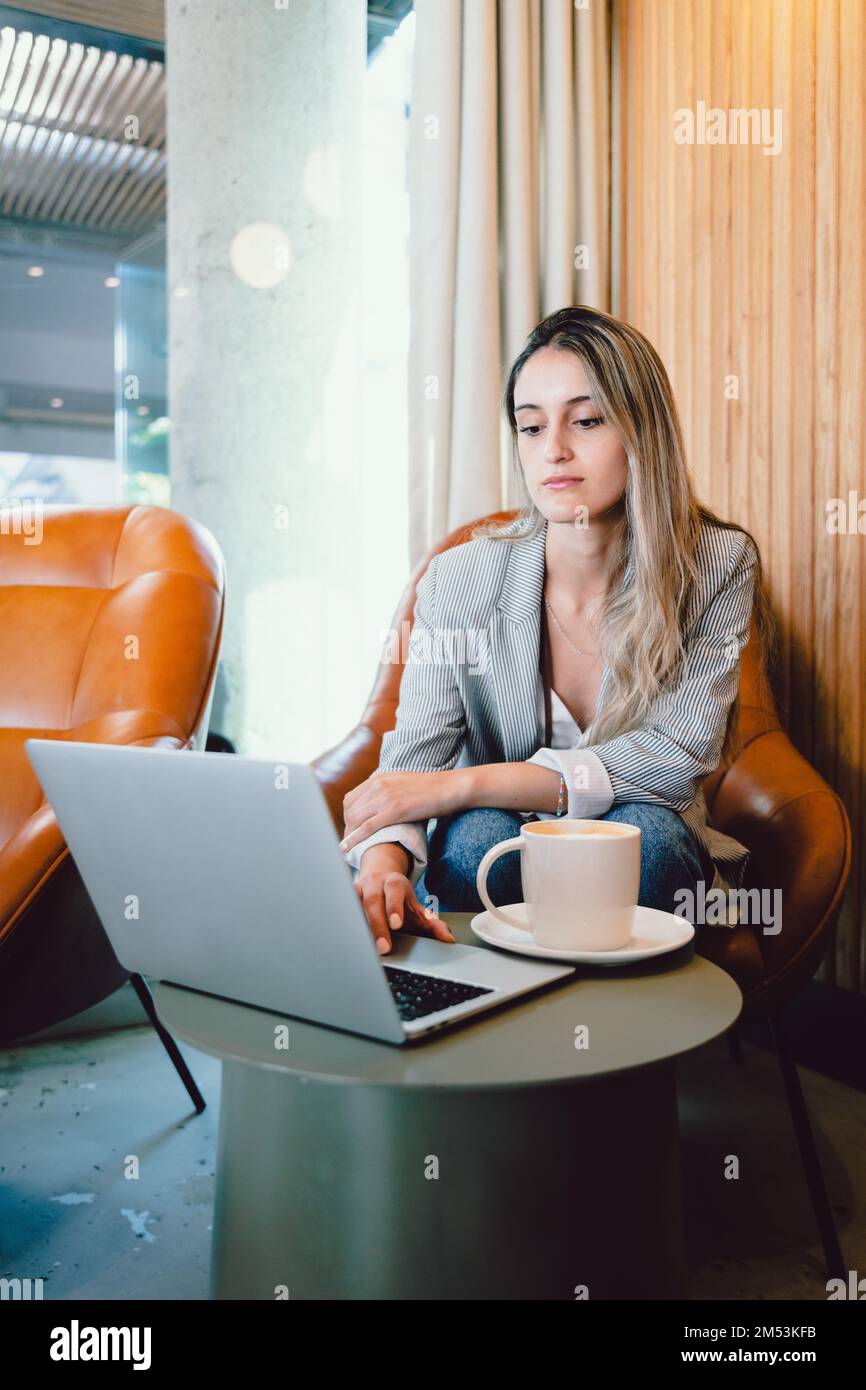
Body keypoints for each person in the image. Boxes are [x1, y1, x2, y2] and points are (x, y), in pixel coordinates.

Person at [340, 305, 770, 955]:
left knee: (643, 835)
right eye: (531, 426)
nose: (554, 451)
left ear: (642, 431)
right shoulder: (460, 577)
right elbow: (415, 761)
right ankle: (484, 1027)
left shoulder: (716, 566)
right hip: (499, 842)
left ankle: (623, 1048)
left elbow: (672, 762)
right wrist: (382, 864)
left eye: (587, 420)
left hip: (651, 847)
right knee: (477, 834)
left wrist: (466, 781)